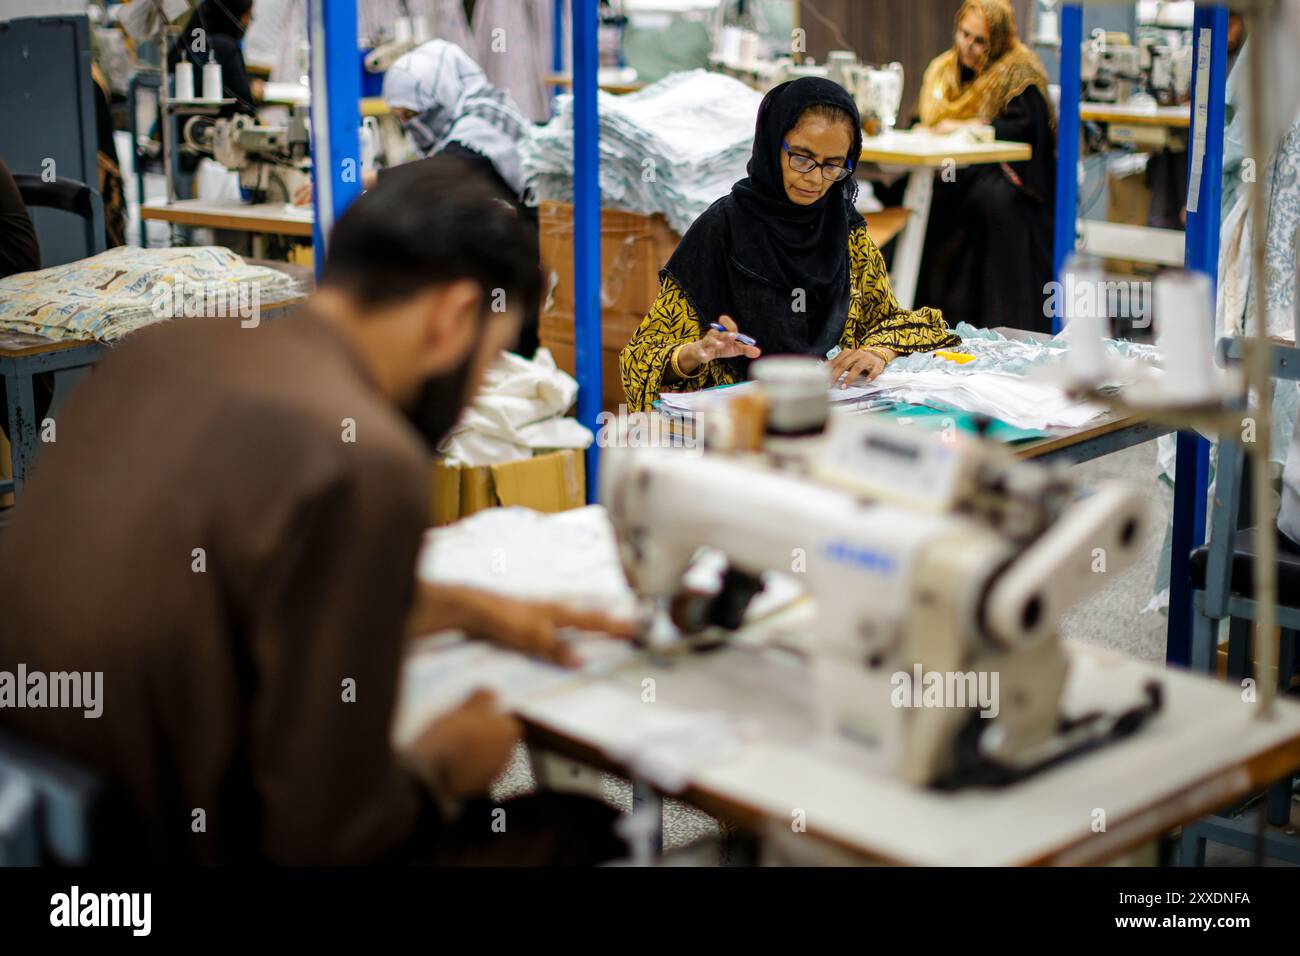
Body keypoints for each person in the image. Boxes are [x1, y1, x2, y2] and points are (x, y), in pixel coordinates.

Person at [0, 156, 632, 865]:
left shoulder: (163, 351)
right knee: (583, 828)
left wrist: (472, 611)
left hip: (53, 845)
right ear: (456, 316)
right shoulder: (363, 454)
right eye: (486, 366)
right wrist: (441, 768)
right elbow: (334, 841)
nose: (472, 392)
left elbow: (258, 590)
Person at [619, 77, 960, 414]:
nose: (814, 178)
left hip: (838, 421)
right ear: (772, 144)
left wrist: (879, 352)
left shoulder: (844, 230)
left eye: (833, 165)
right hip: (740, 434)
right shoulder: (720, 230)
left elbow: (897, 322)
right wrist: (696, 353)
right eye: (802, 158)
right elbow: (639, 360)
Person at [293, 39, 538, 353]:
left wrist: (359, 180)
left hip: (520, 270)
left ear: (442, 93)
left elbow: (448, 168)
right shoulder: (454, 124)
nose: (412, 127)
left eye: (413, 114)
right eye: (402, 117)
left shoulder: (486, 116)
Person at [913, 0, 1056, 334]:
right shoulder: (942, 71)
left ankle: (993, 326)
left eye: (980, 41)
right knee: (922, 198)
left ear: (998, 42)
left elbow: (1024, 130)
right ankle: (928, 321)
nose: (969, 47)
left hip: (1008, 181)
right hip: (954, 172)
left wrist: (966, 130)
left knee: (987, 203)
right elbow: (925, 119)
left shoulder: (1019, 71)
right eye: (965, 35)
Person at [167, 0, 262, 119]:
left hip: (174, 129)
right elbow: (245, 104)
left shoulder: (189, 46)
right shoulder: (226, 49)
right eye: (247, 16)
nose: (247, 22)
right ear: (233, 14)